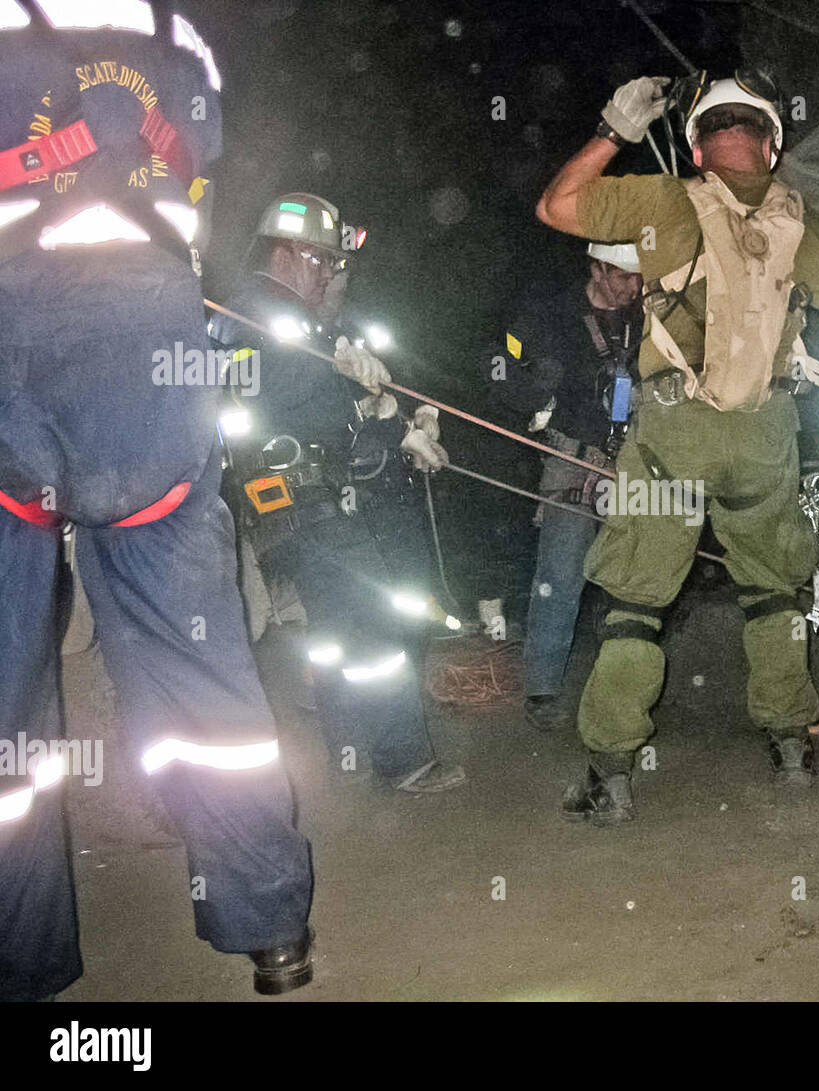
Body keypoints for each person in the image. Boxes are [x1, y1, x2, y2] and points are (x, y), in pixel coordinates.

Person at [0, 0, 313, 997]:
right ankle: (269, 926)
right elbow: (193, 188)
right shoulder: (184, 41)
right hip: (154, 340)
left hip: (13, 336)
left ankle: (23, 955)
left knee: (3, 684)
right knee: (199, 661)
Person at [536, 72, 819, 824]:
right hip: (764, 433)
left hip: (673, 432)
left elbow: (555, 206)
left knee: (635, 600)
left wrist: (613, 129)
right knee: (773, 591)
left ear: (696, 146)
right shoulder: (805, 221)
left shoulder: (665, 199)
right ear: (772, 142)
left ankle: (612, 774)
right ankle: (791, 743)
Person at [210, 193, 465, 795]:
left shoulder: (280, 315)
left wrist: (386, 421)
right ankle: (403, 761)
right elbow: (279, 398)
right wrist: (357, 394)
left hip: (303, 497)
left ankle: (347, 745)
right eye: (320, 260)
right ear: (286, 251)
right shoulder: (257, 312)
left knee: (332, 628)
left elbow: (319, 407)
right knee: (377, 623)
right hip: (298, 497)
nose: (328, 273)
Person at [485, 242, 643, 732]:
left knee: (638, 576)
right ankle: (542, 689)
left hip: (635, 458)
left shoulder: (647, 319)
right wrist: (531, 387)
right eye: (621, 276)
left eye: (638, 278)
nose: (631, 288)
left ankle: (627, 685)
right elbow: (501, 361)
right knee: (559, 575)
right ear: (595, 268)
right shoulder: (550, 314)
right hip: (573, 458)